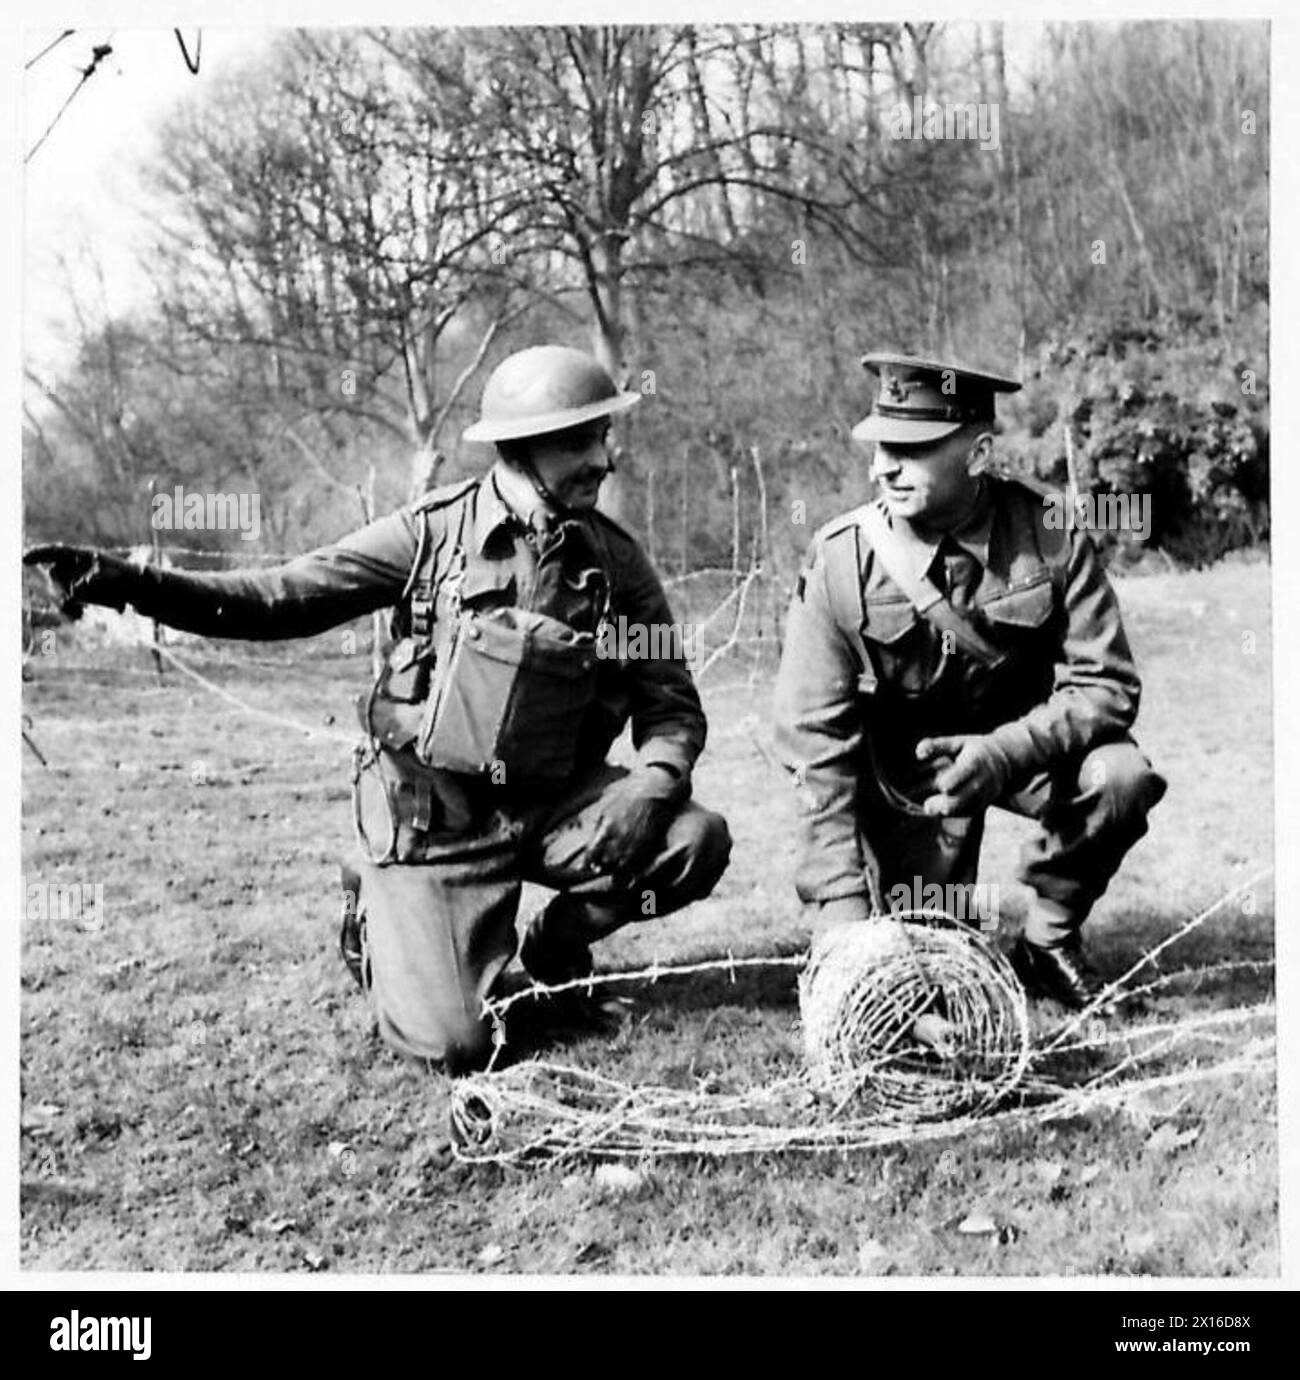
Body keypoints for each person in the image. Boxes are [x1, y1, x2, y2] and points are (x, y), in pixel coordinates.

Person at [26, 344, 731, 1071]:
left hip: (554, 805)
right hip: (440, 821)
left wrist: (652, 781)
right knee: (459, 1045)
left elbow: (669, 702)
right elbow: (277, 600)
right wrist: (128, 583)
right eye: (581, 441)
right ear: (521, 447)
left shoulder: (616, 563)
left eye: (604, 437)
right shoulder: (427, 537)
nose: (604, 459)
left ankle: (555, 948)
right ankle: (377, 905)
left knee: (693, 839)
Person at [773, 352, 1166, 1008]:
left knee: (1119, 778)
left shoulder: (1049, 532)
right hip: (911, 780)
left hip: (1023, 751)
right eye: (877, 448)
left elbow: (1108, 685)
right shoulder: (843, 561)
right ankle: (912, 927)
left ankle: (1048, 941)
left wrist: (1004, 752)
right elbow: (814, 746)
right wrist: (840, 926)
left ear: (979, 453)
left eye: (909, 449)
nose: (882, 468)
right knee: (935, 969)